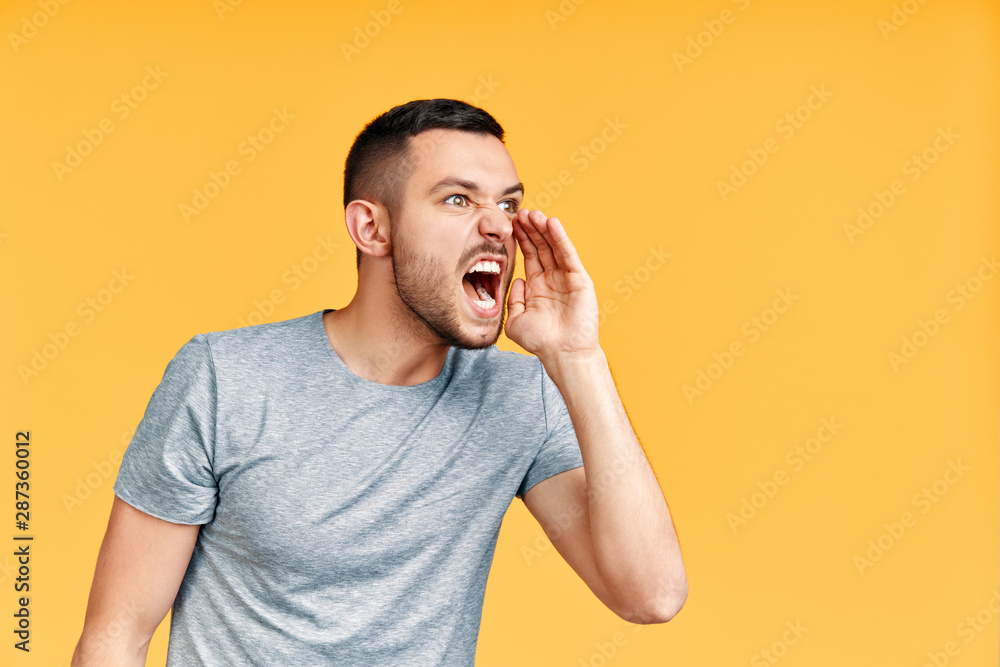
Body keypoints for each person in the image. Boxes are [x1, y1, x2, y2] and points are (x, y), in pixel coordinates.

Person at [70, 98, 687, 666]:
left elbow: (651, 595)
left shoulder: (519, 397)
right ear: (372, 229)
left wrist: (578, 357)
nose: (500, 227)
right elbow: (116, 634)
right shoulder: (224, 378)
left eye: (508, 203)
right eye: (457, 200)